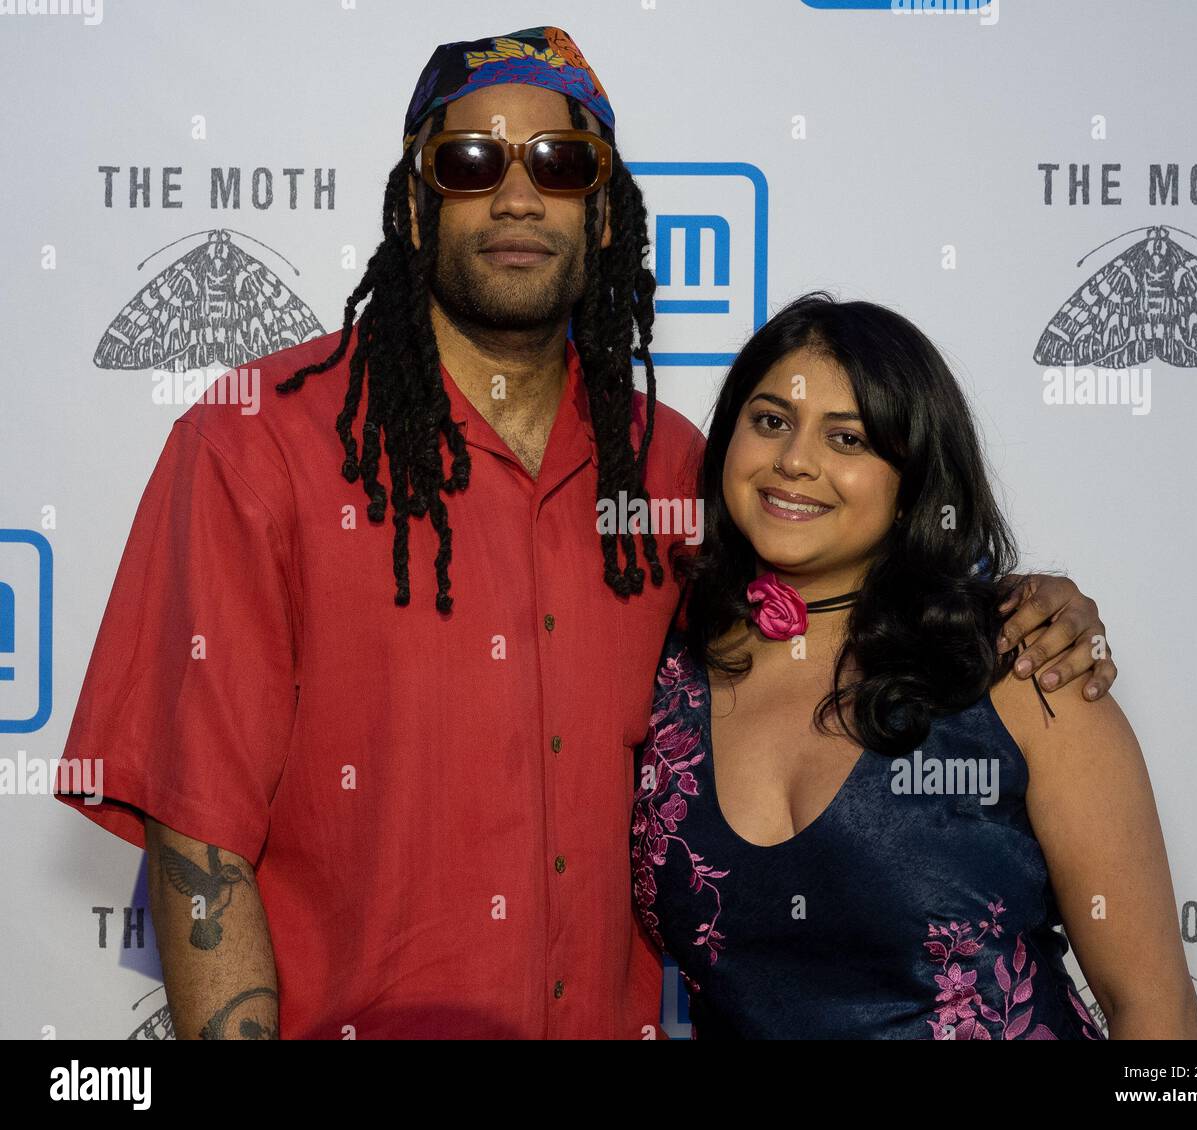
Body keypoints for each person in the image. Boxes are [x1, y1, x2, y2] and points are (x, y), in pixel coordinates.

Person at [54, 28, 1117, 1040]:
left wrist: (1018, 607)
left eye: (562, 162)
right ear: (417, 209)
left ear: (606, 214)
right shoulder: (257, 443)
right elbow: (199, 830)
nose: (518, 193)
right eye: (471, 159)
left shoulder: (672, 470)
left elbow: (841, 610)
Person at [632, 293, 1197, 1039]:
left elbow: (1153, 1011)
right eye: (771, 421)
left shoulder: (1021, 664)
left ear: (913, 481)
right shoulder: (665, 660)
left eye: (849, 439)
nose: (795, 461)